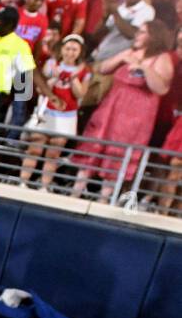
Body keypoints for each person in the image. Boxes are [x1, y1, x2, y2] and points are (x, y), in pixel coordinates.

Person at [70, 20, 176, 202]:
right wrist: (122, 58)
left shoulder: (162, 59)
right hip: (110, 110)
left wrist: (143, 67)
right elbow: (102, 68)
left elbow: (161, 88)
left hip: (134, 119)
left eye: (142, 32)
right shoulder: (129, 52)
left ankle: (104, 200)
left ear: (154, 36)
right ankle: (75, 193)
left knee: (117, 157)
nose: (137, 35)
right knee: (93, 148)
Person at [19, 34, 90, 190]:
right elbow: (41, 88)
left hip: (66, 115)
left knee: (54, 153)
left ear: (80, 51)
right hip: (47, 111)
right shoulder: (51, 64)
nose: (70, 52)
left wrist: (73, 78)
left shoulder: (85, 71)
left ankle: (44, 186)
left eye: (74, 49)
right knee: (35, 148)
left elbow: (80, 94)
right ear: (62, 49)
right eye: (68, 48)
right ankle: (23, 182)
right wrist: (54, 77)